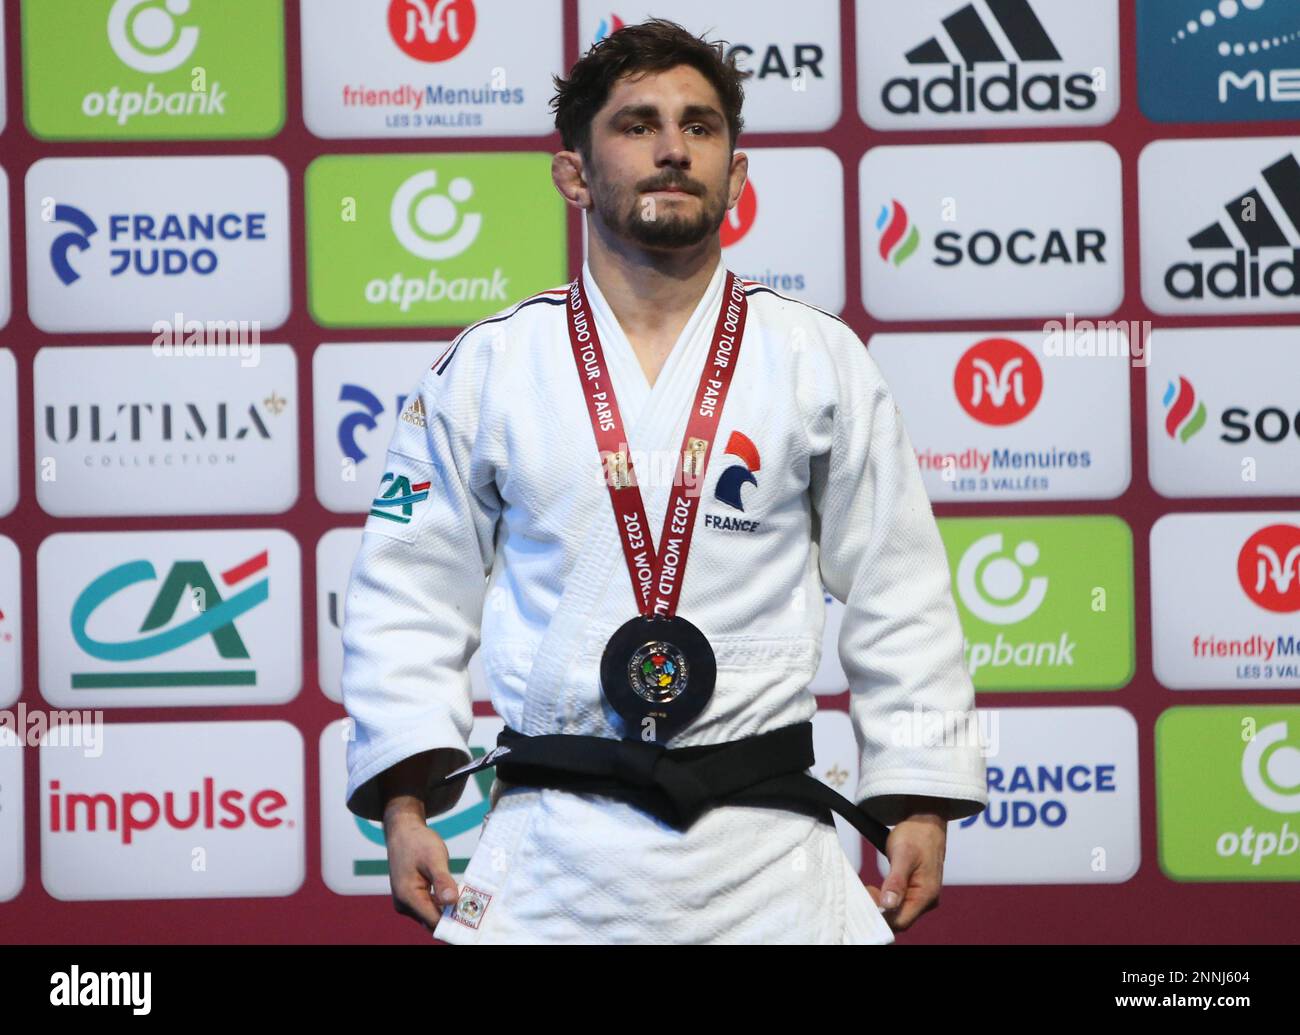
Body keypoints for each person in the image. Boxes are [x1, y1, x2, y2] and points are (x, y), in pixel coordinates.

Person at [340, 17, 987, 945]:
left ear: (737, 172)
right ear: (573, 172)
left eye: (702, 126)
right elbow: (408, 591)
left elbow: (901, 586)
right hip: (555, 852)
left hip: (768, 856)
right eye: (638, 125)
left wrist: (918, 793)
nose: (674, 149)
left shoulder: (814, 359)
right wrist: (407, 800)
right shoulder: (488, 368)